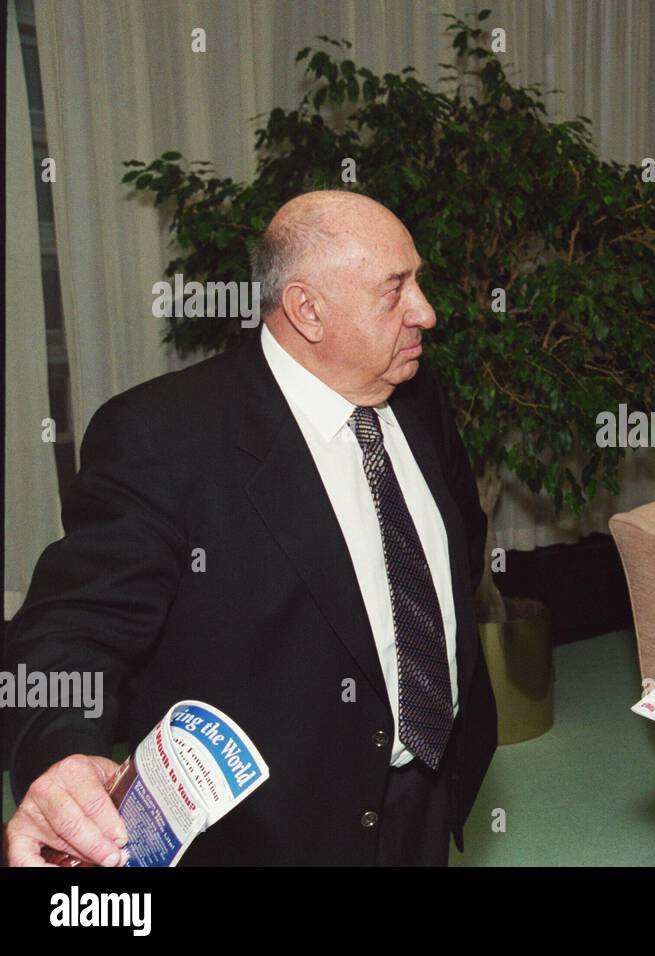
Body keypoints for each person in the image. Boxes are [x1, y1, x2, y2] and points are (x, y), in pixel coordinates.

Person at [4, 191, 496, 866]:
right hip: (267, 834)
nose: (426, 312)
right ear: (307, 310)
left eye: (418, 280)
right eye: (395, 290)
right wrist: (58, 755)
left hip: (425, 795)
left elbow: (455, 546)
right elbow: (70, 629)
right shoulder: (164, 437)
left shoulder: (414, 393)